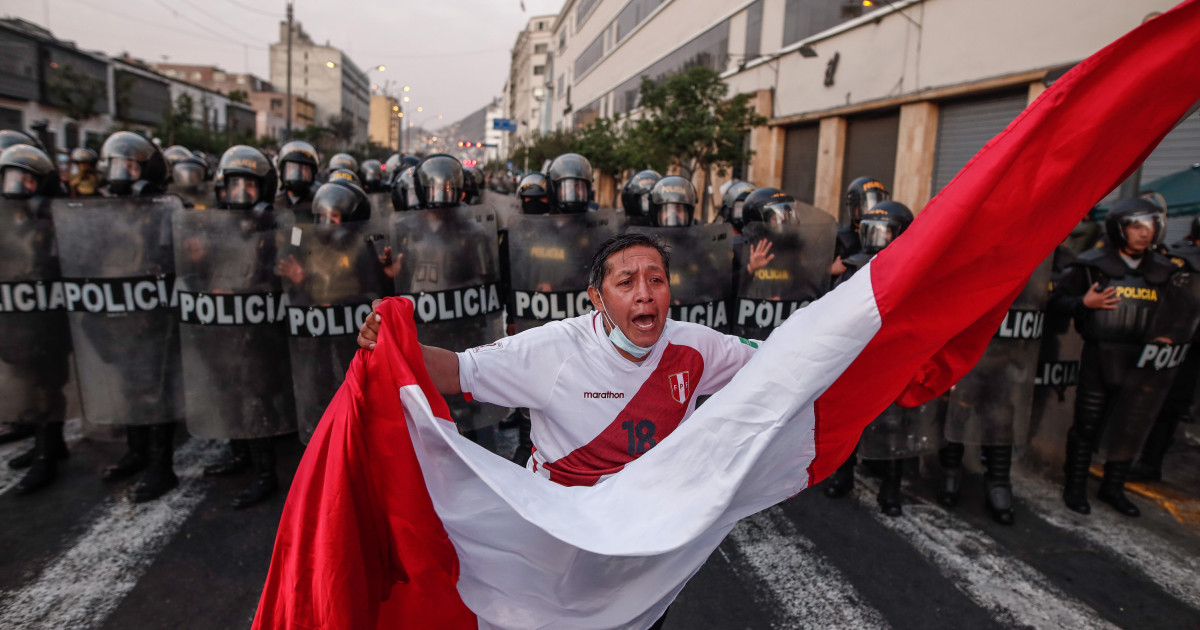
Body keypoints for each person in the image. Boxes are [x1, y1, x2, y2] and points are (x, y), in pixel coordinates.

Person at [358, 232, 759, 626]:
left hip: (646, 538)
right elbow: (458, 370)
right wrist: (392, 344)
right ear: (597, 299)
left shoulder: (696, 347)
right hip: (563, 536)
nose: (645, 294)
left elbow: (773, 363)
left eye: (656, 279)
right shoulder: (553, 349)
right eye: (626, 282)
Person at [1048, 197, 1192, 517]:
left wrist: (1168, 334)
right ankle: (1075, 486)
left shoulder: (1165, 270)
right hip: (1100, 356)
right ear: (1119, 229)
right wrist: (1084, 304)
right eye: (1136, 226)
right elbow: (1056, 302)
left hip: (1143, 362)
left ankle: (1113, 487)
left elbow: (1180, 312)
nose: (1144, 233)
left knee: (1130, 425)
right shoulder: (1092, 264)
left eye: (1150, 226)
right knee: (1087, 424)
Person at [187, 145, 293, 509]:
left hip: (257, 330)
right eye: (235, 185)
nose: (241, 193)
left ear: (264, 188)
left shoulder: (279, 226)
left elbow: (289, 273)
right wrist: (197, 261)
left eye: (249, 185)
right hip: (221, 327)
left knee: (254, 397)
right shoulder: (214, 227)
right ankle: (239, 454)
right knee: (227, 392)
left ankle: (264, 473)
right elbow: (200, 276)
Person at [823, 201, 926, 516]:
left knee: (893, 423)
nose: (877, 238)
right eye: (873, 230)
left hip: (893, 357)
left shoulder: (914, 270)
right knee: (851, 418)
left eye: (886, 231)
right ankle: (844, 474)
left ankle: (891, 487)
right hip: (858, 355)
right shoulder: (854, 266)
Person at [0, 143, 72, 493]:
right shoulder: (7, 220)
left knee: (46, 385)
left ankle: (46, 455)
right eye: (13, 178)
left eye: (27, 179)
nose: (19, 186)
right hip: (18, 318)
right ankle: (50, 443)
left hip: (49, 317)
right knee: (28, 382)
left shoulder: (54, 219)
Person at [275, 140, 321, 222]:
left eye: (304, 169)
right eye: (292, 168)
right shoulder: (274, 204)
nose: (297, 173)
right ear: (282, 171)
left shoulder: (318, 205)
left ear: (312, 173)